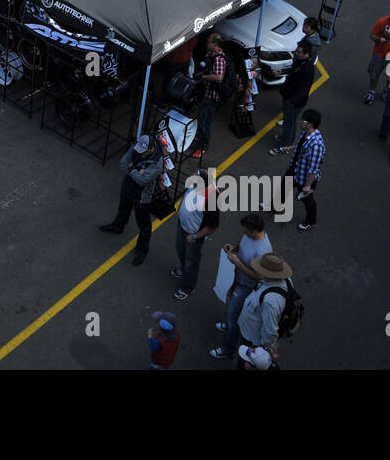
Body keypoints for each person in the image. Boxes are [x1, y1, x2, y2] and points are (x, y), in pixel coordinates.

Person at [210, 213, 272, 360]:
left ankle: (228, 348)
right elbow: (243, 241)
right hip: (236, 278)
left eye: (246, 231)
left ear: (255, 231)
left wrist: (238, 263)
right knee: (231, 308)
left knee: (234, 316)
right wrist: (235, 247)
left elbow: (258, 276)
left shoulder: (263, 251)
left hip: (245, 286)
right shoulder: (251, 235)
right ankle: (229, 326)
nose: (244, 233)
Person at [99, 134, 166, 266]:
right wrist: (137, 171)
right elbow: (122, 163)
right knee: (123, 208)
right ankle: (117, 226)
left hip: (142, 196)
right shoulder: (140, 145)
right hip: (129, 186)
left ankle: (142, 249)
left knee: (144, 224)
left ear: (151, 149)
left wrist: (131, 168)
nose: (137, 152)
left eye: (143, 152)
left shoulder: (157, 162)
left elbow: (143, 180)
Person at [232, 254, 292, 368]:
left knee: (244, 363)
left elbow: (270, 331)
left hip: (252, 338)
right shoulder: (286, 280)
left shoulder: (270, 301)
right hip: (252, 331)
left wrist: (261, 353)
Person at [171, 168, 219, 300]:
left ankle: (187, 287)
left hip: (193, 234)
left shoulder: (211, 199)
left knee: (191, 260)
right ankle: (184, 271)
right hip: (183, 226)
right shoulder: (196, 182)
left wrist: (195, 236)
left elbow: (213, 226)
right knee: (180, 250)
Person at [280, 110, 324, 230]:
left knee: (307, 200)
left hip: (304, 177)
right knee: (283, 187)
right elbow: (301, 146)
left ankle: (311, 221)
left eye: (303, 121)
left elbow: (313, 168)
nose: (300, 122)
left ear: (310, 124)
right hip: (295, 169)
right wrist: (292, 148)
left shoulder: (316, 145)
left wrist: (308, 185)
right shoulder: (305, 133)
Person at [269, 40, 315, 153]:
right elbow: (293, 70)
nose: (296, 54)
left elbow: (304, 89)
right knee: (289, 122)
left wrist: (292, 101)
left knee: (289, 123)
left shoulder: (307, 69)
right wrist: (282, 71)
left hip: (293, 101)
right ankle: (285, 139)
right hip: (290, 97)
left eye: (299, 52)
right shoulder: (300, 61)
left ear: (306, 54)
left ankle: (285, 146)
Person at [193, 33, 227, 155]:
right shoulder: (213, 55)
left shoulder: (218, 59)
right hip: (207, 94)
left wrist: (203, 77)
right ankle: (202, 138)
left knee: (205, 121)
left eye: (208, 42)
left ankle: (203, 146)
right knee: (203, 119)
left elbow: (218, 77)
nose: (206, 44)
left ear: (214, 44)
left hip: (211, 97)